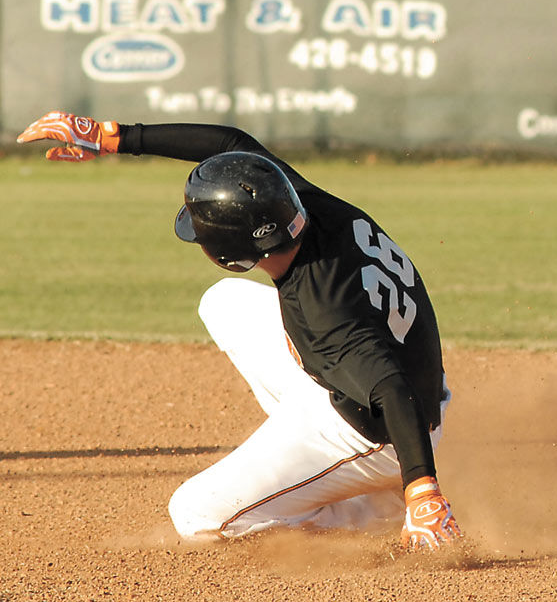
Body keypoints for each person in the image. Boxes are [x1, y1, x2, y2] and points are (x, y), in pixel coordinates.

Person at [17, 112, 462, 550]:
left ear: (230, 253)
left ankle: (370, 511)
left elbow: (390, 387)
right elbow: (231, 143)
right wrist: (114, 137)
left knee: (195, 515)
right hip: (381, 372)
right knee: (224, 302)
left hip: (382, 432)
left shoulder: (325, 314)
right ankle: (314, 467)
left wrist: (422, 491)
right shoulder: (305, 204)